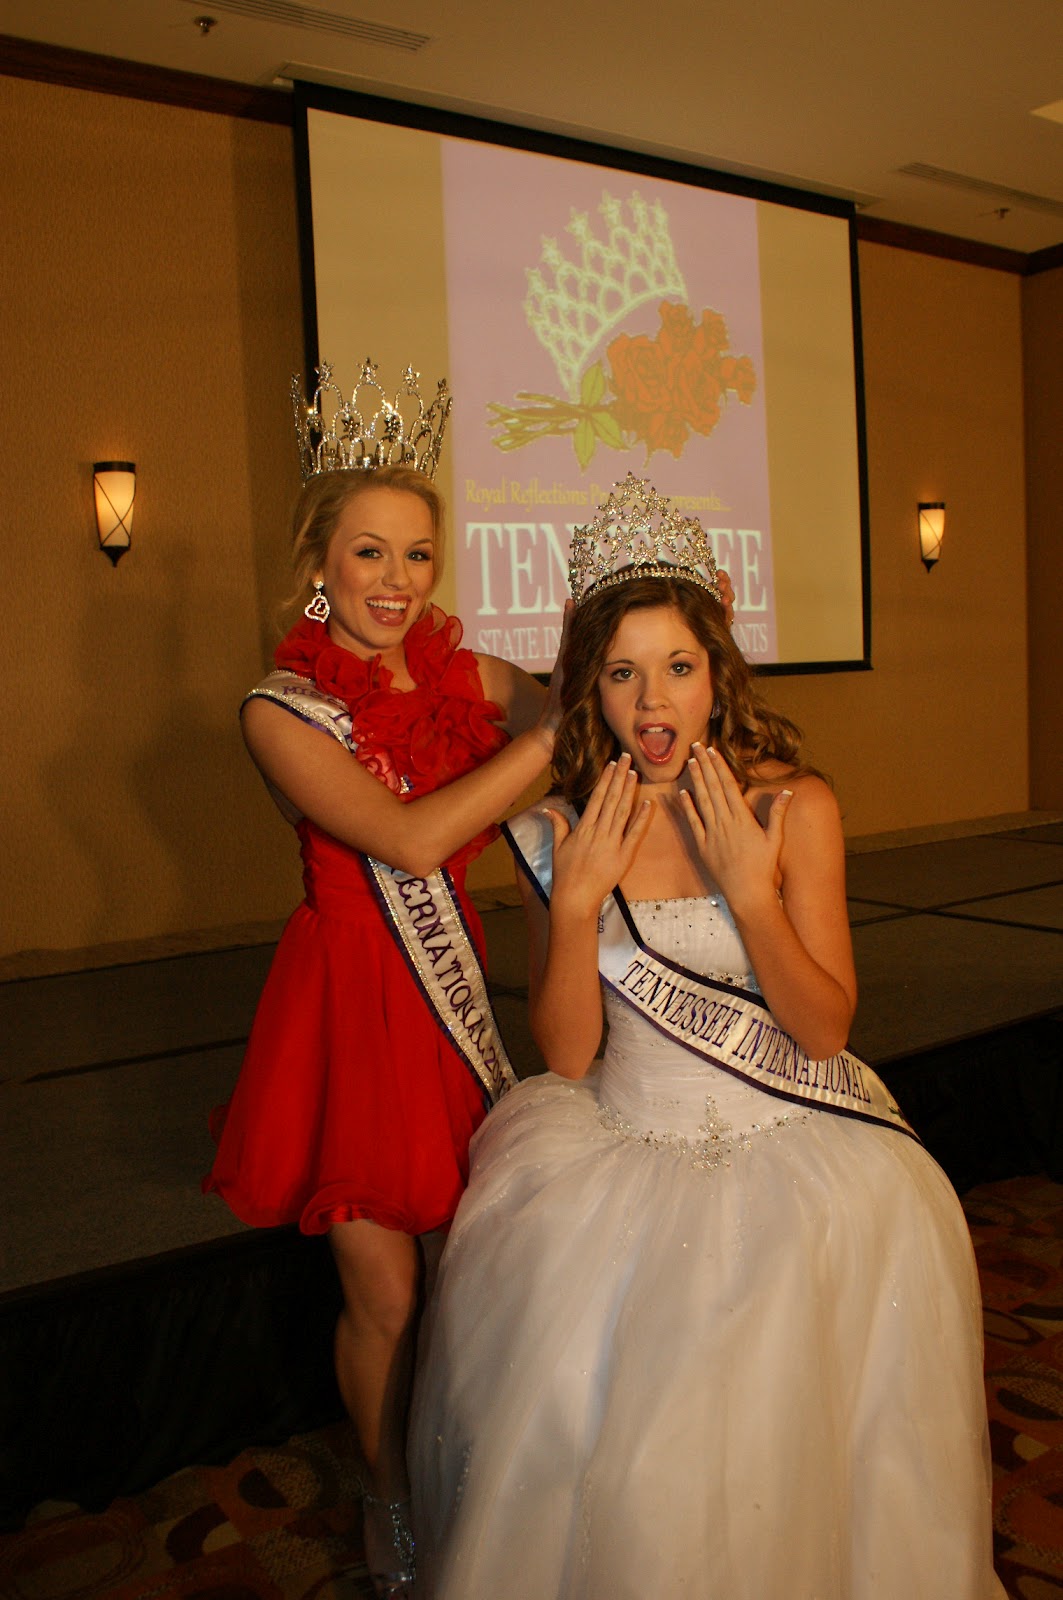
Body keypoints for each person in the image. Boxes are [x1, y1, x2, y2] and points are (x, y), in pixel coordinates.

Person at [409, 475, 1004, 1598]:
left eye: (677, 666)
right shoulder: (552, 827)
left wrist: (752, 892)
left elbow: (825, 1026)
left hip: (794, 1143)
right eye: (623, 671)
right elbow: (569, 1056)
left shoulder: (794, 807)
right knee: (630, 1470)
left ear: (714, 668)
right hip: (614, 1155)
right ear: (588, 682)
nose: (651, 702)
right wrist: (577, 906)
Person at [203, 360, 567, 1598]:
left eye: (418, 555)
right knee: (388, 1285)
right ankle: (386, 1487)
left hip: (447, 982)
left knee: (476, 1267)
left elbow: (580, 705)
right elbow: (409, 842)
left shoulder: (458, 672)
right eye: (369, 554)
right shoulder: (282, 708)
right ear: (321, 559)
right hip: (350, 1003)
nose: (396, 583)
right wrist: (553, 743)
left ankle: (472, 1462)